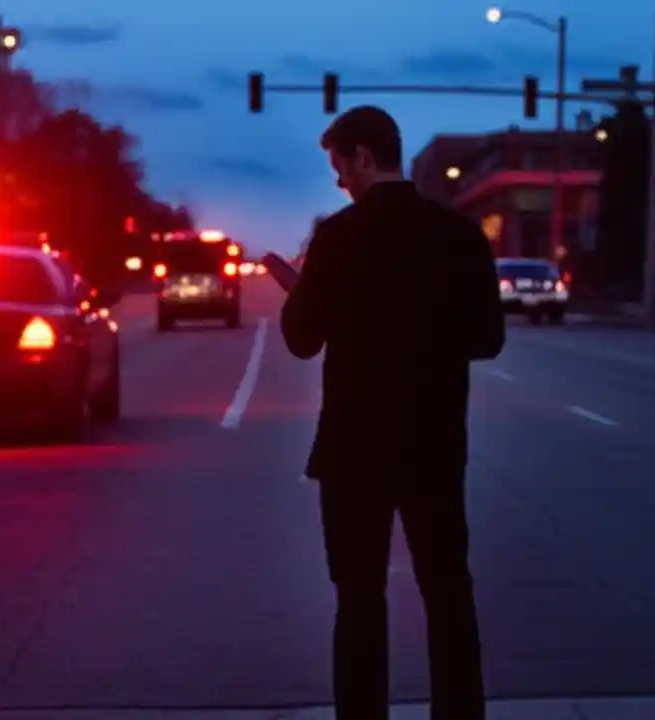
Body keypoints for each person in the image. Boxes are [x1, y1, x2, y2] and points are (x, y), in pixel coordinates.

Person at [278, 106, 505, 720]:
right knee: (448, 593)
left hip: (354, 451)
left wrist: (303, 290)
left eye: (339, 166)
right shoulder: (459, 236)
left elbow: (301, 340)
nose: (338, 182)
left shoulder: (337, 238)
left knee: (359, 601)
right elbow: (488, 339)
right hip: (433, 444)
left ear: (362, 156)